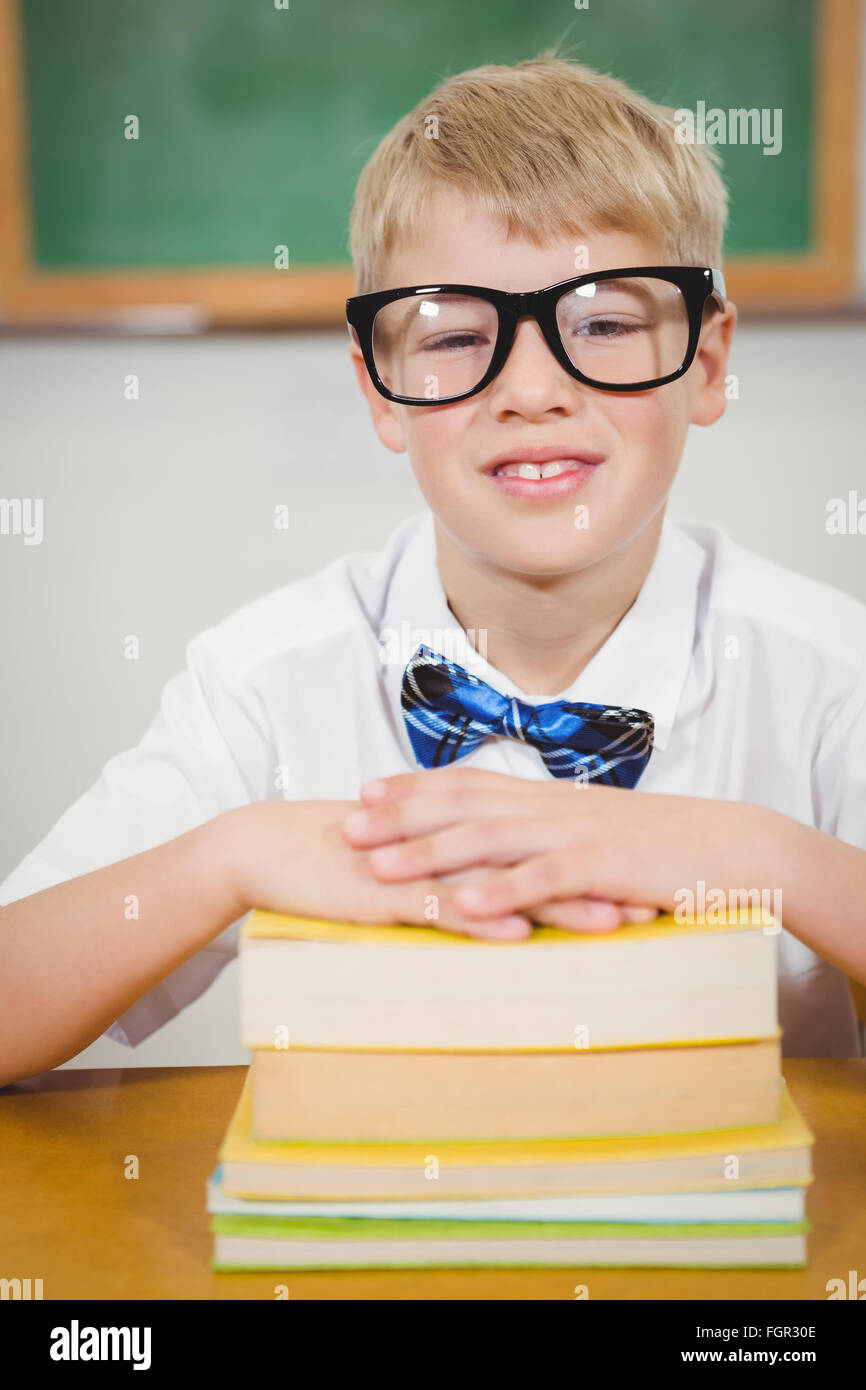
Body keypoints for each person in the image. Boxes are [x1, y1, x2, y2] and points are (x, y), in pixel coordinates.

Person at [2, 55, 864, 1086]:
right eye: (457, 334)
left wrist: (763, 859)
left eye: (602, 323)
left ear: (708, 364)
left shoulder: (828, 675)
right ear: (380, 389)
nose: (532, 387)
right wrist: (225, 857)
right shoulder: (266, 682)